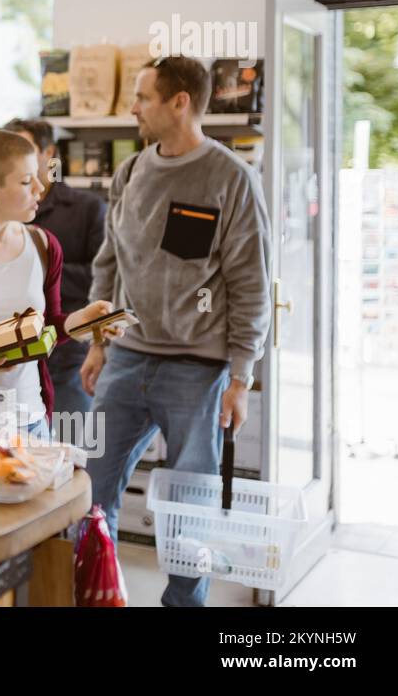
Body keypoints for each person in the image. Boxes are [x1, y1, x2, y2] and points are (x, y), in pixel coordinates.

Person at [83, 55, 271, 607]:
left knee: (190, 504)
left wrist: (241, 377)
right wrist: (98, 341)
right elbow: (108, 263)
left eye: (143, 97)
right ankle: (101, 591)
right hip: (126, 359)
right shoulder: (131, 171)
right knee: (92, 490)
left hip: (198, 370)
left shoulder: (230, 179)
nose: (134, 107)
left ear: (179, 102)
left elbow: (249, 283)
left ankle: (183, 605)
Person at [0, 130, 117, 441]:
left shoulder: (44, 245)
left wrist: (85, 319)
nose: (41, 189)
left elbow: (51, 325)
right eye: (27, 181)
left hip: (29, 421)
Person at [4, 117, 108, 439]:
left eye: (25, 148)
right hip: (11, 358)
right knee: (17, 464)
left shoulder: (88, 208)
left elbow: (102, 276)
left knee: (71, 458)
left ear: (49, 153)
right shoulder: (2, 210)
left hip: (68, 358)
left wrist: (39, 271)